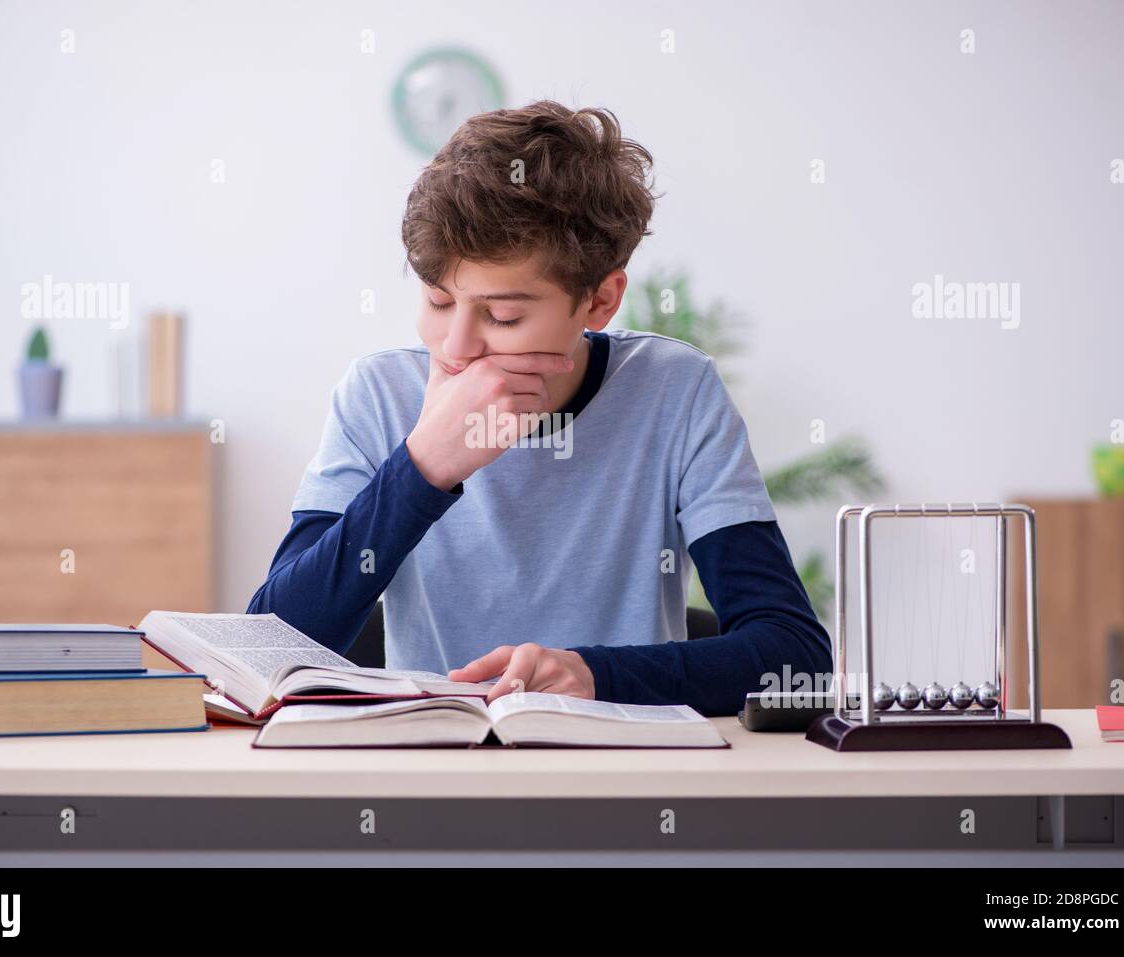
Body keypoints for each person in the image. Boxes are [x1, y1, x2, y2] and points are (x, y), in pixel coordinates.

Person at [247, 100, 832, 716]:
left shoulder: (674, 391)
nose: (456, 348)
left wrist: (593, 674)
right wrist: (423, 468)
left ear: (600, 301)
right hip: (429, 777)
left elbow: (795, 656)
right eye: (439, 302)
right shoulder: (378, 394)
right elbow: (269, 652)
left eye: (503, 316)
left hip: (627, 777)